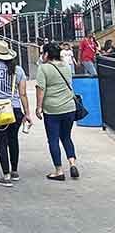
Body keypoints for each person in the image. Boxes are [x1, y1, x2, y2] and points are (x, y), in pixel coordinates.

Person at [0, 40, 32, 187]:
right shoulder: (18, 70)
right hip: (15, 109)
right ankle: (15, 171)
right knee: (13, 139)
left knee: (1, 141)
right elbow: (23, 94)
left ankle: (6, 175)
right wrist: (27, 113)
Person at [36, 42, 80, 181]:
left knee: (53, 139)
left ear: (47, 54)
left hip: (52, 109)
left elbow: (40, 89)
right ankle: (72, 163)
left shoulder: (43, 68)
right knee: (66, 136)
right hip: (69, 108)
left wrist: (39, 107)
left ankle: (59, 171)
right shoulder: (66, 66)